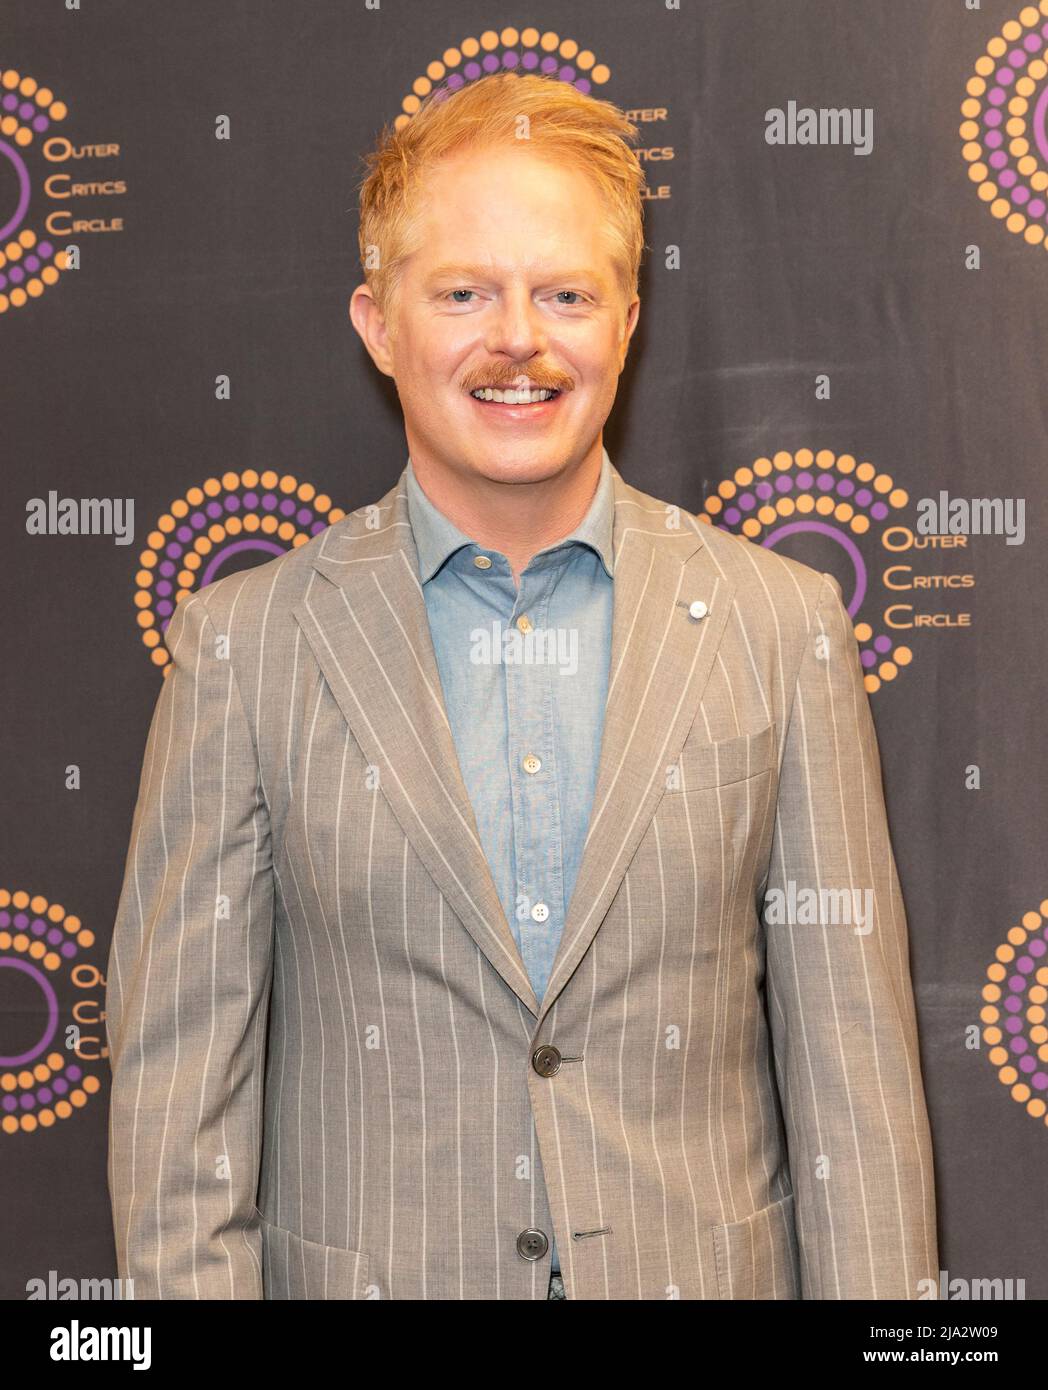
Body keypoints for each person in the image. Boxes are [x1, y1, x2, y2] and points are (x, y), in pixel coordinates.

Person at [105, 71, 938, 1300]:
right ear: (378, 323)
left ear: (626, 320)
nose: (519, 339)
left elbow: (853, 1084)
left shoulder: (781, 626)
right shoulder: (245, 650)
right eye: (462, 293)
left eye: (564, 293)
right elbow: (180, 1110)